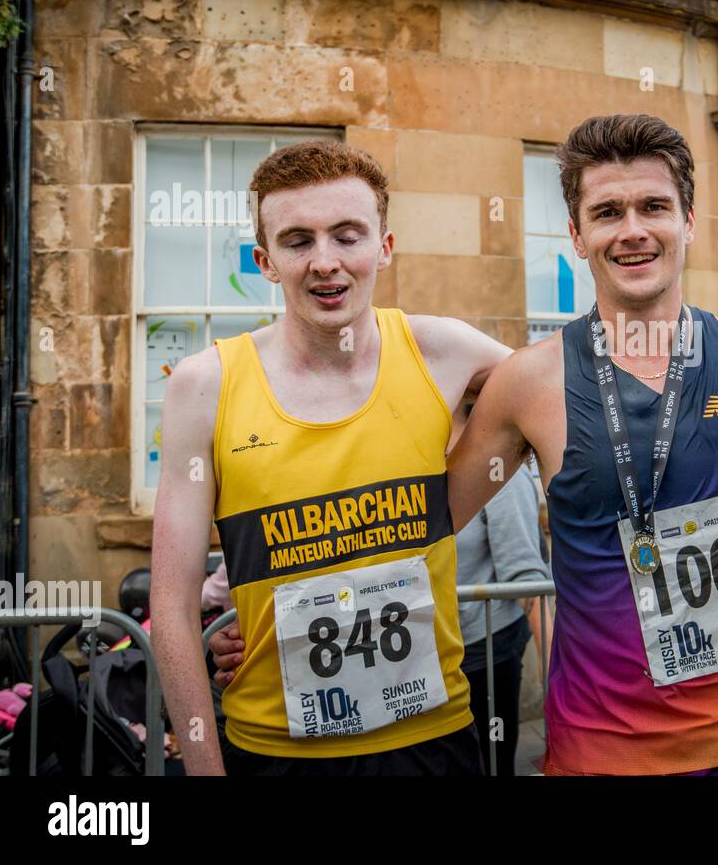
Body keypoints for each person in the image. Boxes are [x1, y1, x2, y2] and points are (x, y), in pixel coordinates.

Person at [446, 114, 718, 775]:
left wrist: (713, 598)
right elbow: (425, 522)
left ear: (689, 221)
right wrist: (266, 615)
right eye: (608, 212)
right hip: (601, 748)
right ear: (577, 235)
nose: (634, 230)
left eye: (654, 207)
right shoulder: (528, 381)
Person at [151, 140, 509, 775]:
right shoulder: (204, 385)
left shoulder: (445, 352)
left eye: (348, 236)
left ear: (385, 246)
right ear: (264, 260)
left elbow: (573, 406)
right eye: (297, 241)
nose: (325, 263)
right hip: (276, 751)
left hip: (433, 741)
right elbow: (173, 610)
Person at [451, 401, 550, 776]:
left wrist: (555, 679)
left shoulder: (499, 474)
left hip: (486, 654)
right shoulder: (420, 465)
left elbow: (527, 578)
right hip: (435, 656)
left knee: (490, 764)